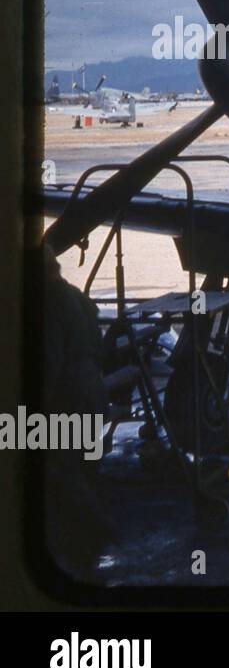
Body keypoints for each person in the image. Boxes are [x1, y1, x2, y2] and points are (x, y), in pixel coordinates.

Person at [41, 244, 115, 581]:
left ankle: (93, 537)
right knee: (84, 470)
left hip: (68, 398)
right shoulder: (77, 298)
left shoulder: (47, 305)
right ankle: (89, 550)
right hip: (92, 394)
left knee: (62, 469)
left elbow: (48, 364)